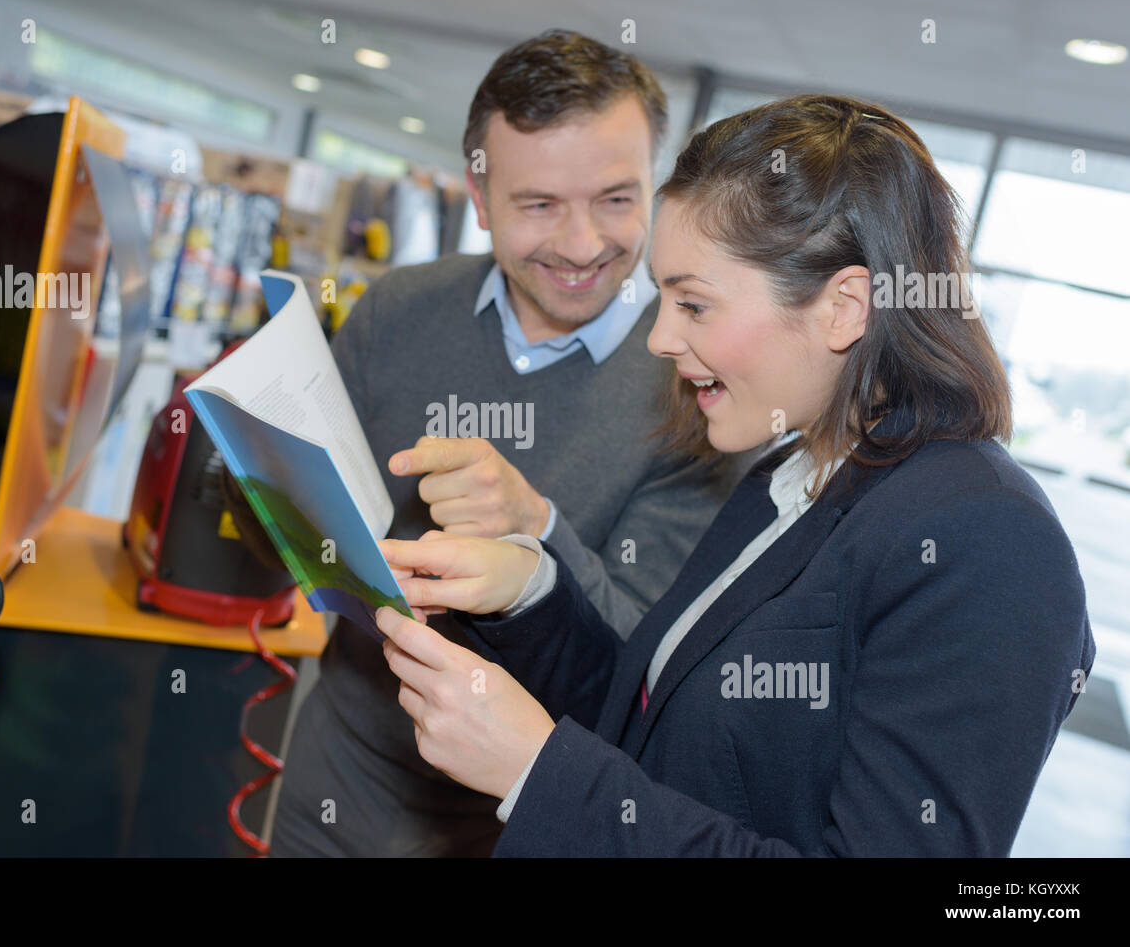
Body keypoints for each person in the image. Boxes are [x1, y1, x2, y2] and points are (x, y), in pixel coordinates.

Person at [376, 94, 1097, 856]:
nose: (659, 337)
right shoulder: (789, 474)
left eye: (694, 303)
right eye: (662, 300)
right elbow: (655, 724)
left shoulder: (986, 539)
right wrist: (528, 592)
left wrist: (537, 772)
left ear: (844, 307)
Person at [266, 30, 749, 857]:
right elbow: (306, 530)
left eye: (616, 199)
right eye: (538, 206)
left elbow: (645, 670)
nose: (580, 243)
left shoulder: (701, 386)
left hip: (520, 826)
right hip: (335, 779)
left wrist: (537, 523)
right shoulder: (395, 310)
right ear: (480, 199)